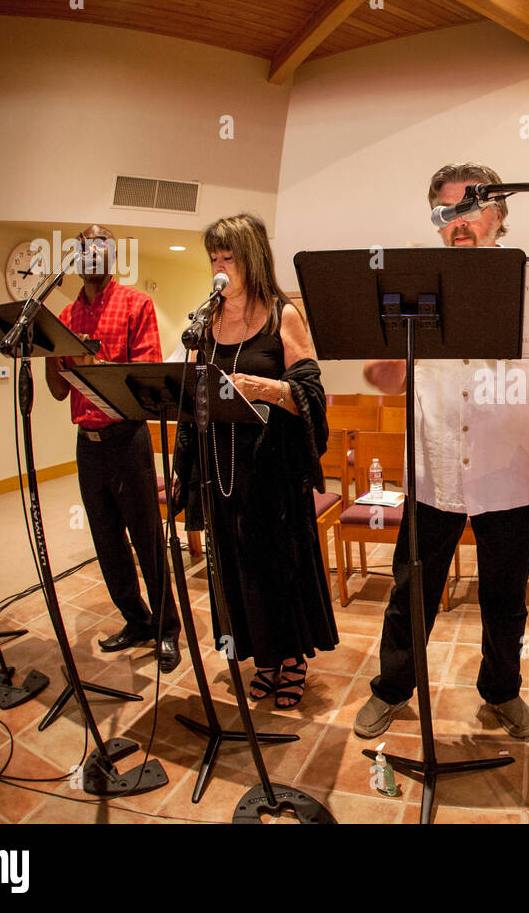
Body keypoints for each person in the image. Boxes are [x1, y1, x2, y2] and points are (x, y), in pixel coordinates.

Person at [352, 162, 529, 741]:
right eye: (447, 213)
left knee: (505, 597)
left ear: (498, 216)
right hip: (435, 470)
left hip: (512, 477)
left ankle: (501, 692)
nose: (459, 223)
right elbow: (391, 377)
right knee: (411, 590)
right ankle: (393, 688)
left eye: (471, 208)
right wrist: (381, 361)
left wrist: (518, 444)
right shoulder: (412, 288)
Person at [173, 213, 338, 709]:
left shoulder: (281, 316)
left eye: (229, 257)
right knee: (236, 565)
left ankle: (291, 659)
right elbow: (189, 398)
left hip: (272, 470)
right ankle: (262, 657)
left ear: (252, 259)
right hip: (221, 470)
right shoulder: (204, 323)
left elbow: (311, 394)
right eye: (215, 258)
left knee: (276, 566)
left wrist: (266, 387)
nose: (220, 266)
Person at [45, 225, 180, 673]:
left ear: (112, 255)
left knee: (145, 539)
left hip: (127, 440)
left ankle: (166, 627)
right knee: (107, 543)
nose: (91, 253)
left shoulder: (135, 304)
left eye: (100, 246)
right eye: (83, 247)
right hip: (88, 445)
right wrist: (51, 350)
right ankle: (137, 620)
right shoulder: (65, 316)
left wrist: (92, 362)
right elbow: (58, 392)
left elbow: (144, 378)